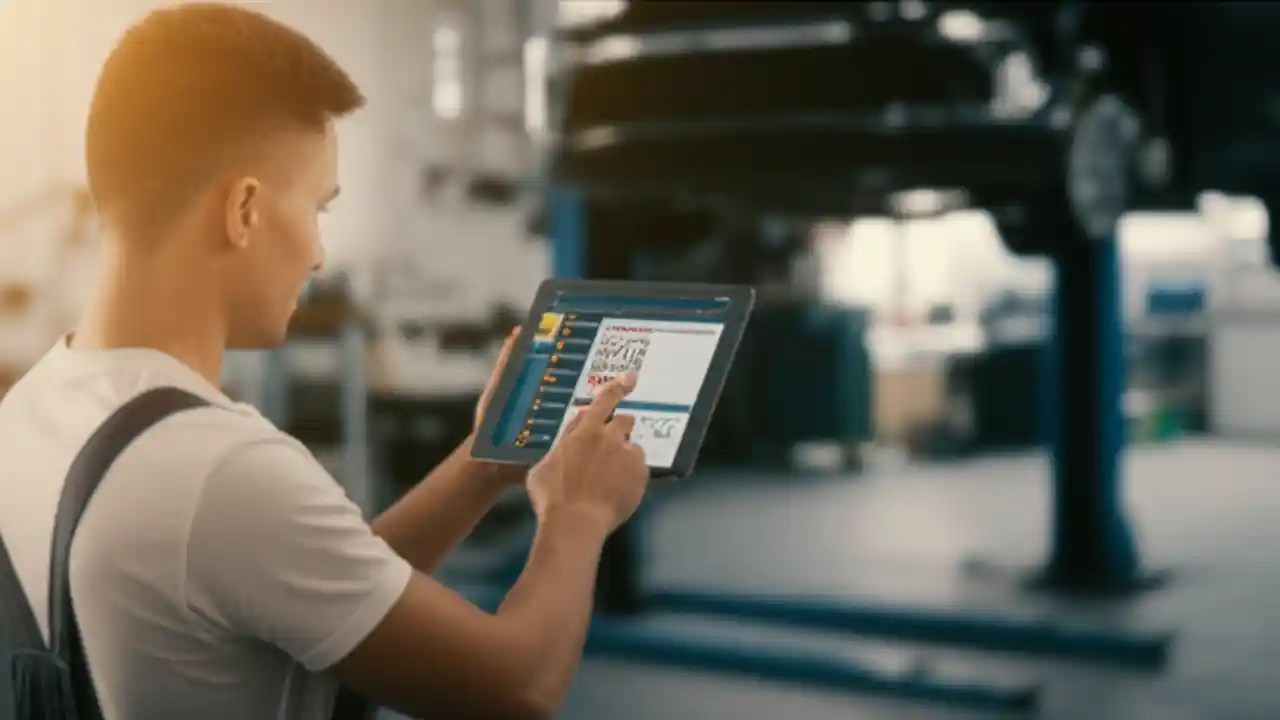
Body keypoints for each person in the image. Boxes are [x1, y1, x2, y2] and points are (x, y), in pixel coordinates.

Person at [0, 3, 649, 719]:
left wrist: (481, 462)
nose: (317, 253)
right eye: (318, 208)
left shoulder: (33, 407)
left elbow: (304, 576)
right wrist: (578, 515)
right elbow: (516, 686)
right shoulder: (218, 471)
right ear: (244, 210)